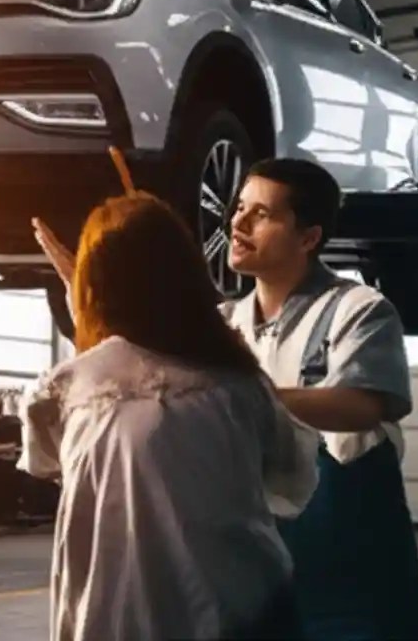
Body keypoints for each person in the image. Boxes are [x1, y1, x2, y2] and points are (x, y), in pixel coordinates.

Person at [23, 192, 319, 641]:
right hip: (248, 615)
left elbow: (47, 461)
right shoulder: (241, 384)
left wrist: (84, 318)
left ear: (91, 287)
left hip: (117, 621)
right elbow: (293, 476)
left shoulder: (66, 391)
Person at [224, 157, 418, 641]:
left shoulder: (357, 309)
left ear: (308, 237)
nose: (238, 222)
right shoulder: (223, 325)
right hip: (256, 561)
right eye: (239, 208)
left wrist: (240, 396)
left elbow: (365, 404)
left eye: (262, 214)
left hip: (351, 567)